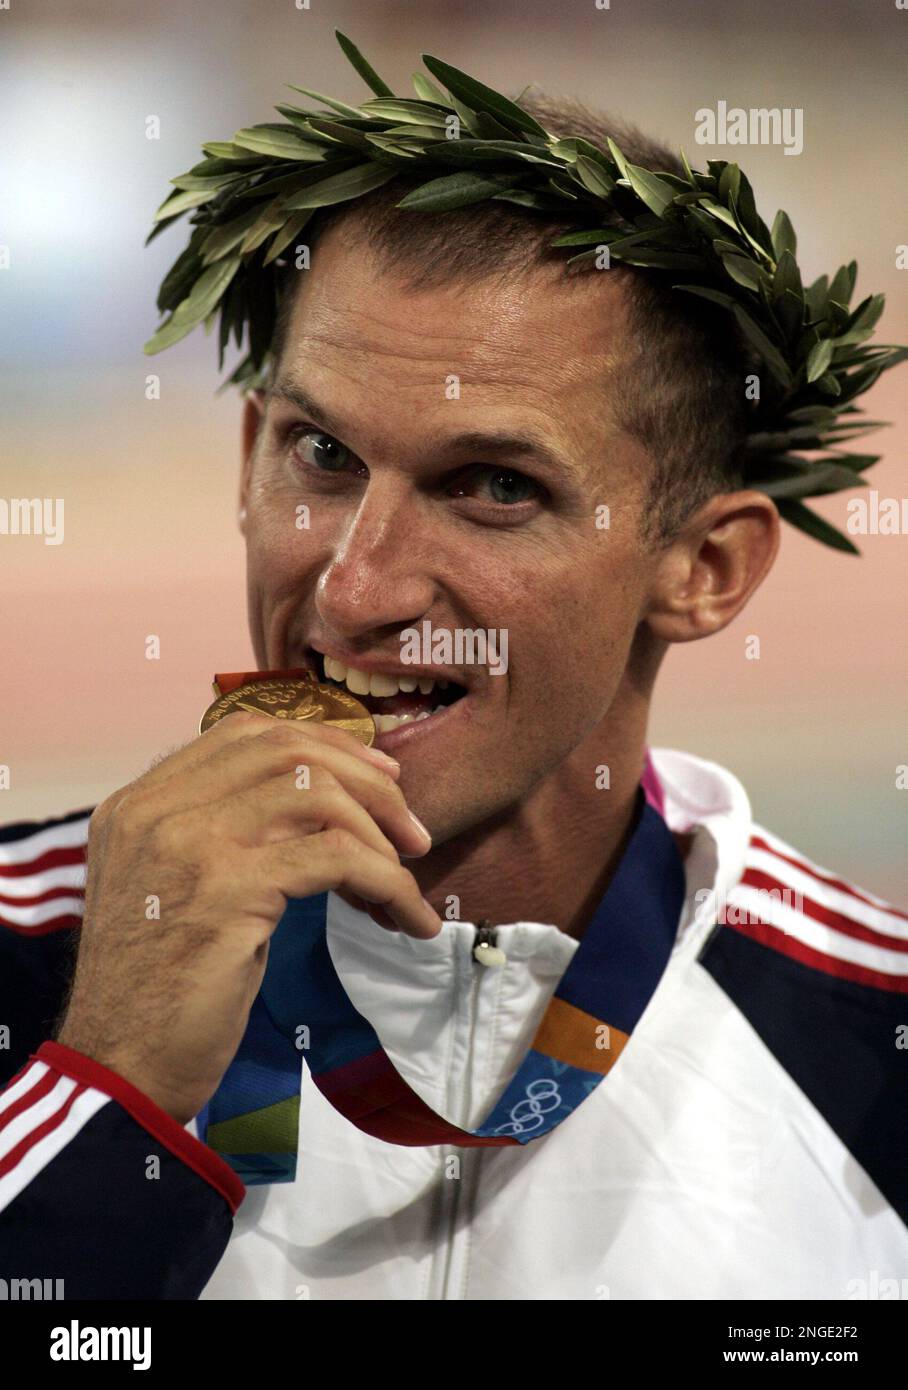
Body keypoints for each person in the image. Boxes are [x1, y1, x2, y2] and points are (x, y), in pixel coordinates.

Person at [1, 43, 905, 1300]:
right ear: (251, 449)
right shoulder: (22, 954)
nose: (355, 591)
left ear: (703, 567)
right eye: (321, 454)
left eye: (492, 487)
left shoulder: (873, 1049)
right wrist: (109, 1085)